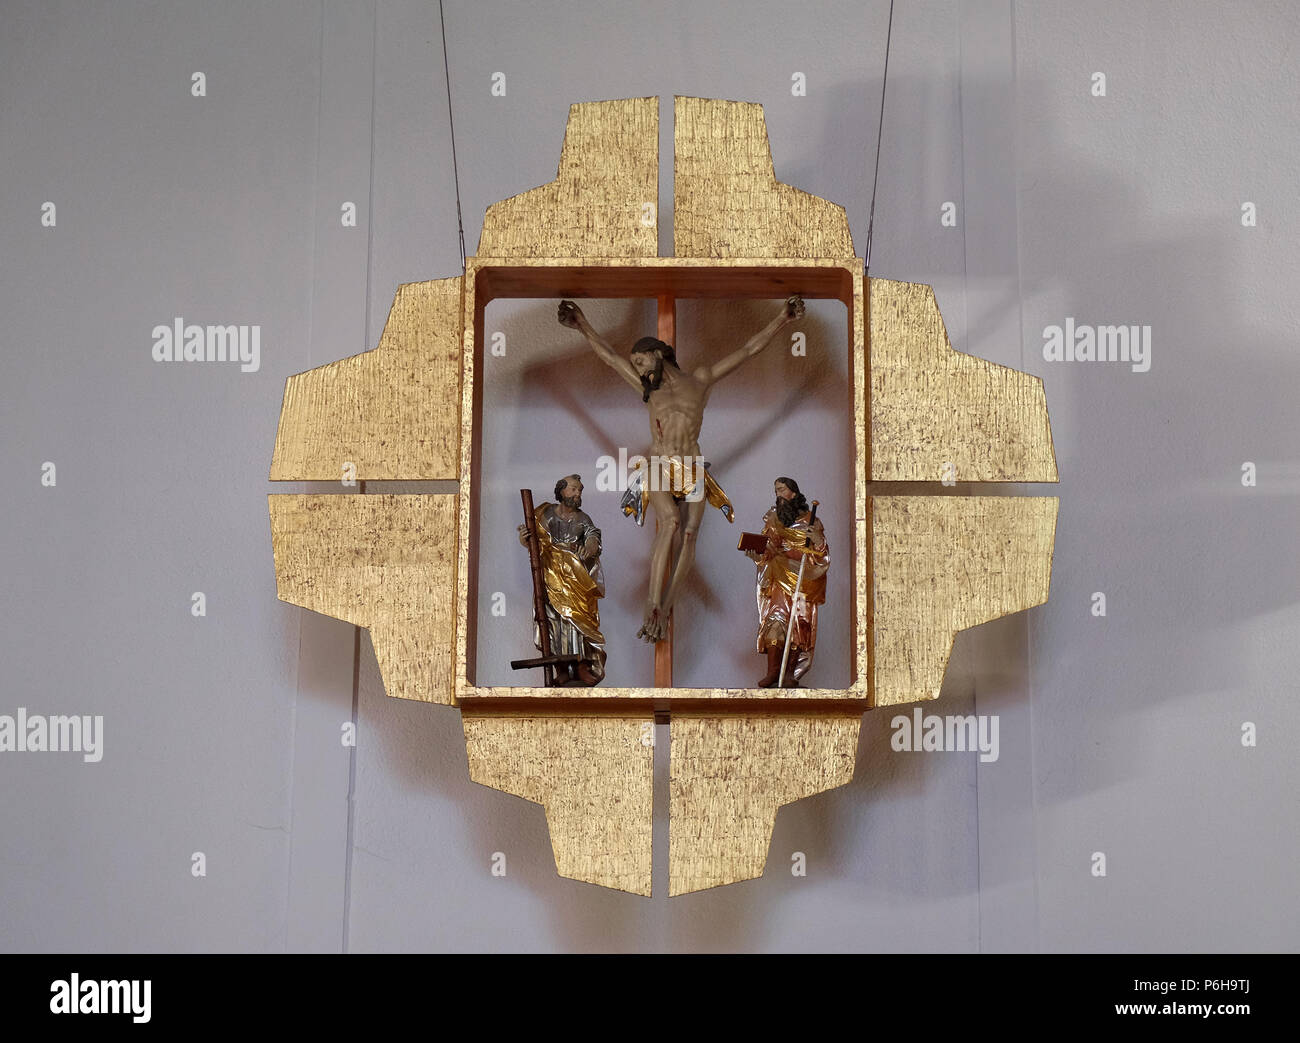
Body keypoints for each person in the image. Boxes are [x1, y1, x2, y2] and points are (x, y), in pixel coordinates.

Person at [558, 295, 805, 642]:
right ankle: (651, 602)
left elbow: (748, 350)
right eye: (637, 365)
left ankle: (665, 607)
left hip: (691, 463)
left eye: (642, 360)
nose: (640, 369)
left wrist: (783, 318)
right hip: (659, 461)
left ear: (658, 353)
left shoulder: (699, 380)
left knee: (689, 534)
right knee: (670, 524)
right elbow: (611, 359)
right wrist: (581, 323)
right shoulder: (649, 392)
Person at [517, 474, 606, 683]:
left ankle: (582, 665)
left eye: (580, 490)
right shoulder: (545, 514)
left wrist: (590, 546)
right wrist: (524, 539)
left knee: (578, 622)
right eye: (574, 489)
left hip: (576, 578)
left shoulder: (583, 519)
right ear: (562, 491)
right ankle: (561, 669)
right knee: (554, 621)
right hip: (550, 576)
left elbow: (593, 536)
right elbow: (533, 540)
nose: (578, 494)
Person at [744, 477, 828, 687]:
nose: (778, 494)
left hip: (803, 579)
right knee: (776, 620)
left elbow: (822, 554)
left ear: (793, 493)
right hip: (779, 575)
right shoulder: (773, 518)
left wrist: (818, 542)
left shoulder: (812, 520)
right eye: (776, 490)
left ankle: (789, 673)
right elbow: (769, 547)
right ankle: (773, 671)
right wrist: (759, 554)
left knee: (799, 624)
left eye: (782, 490)